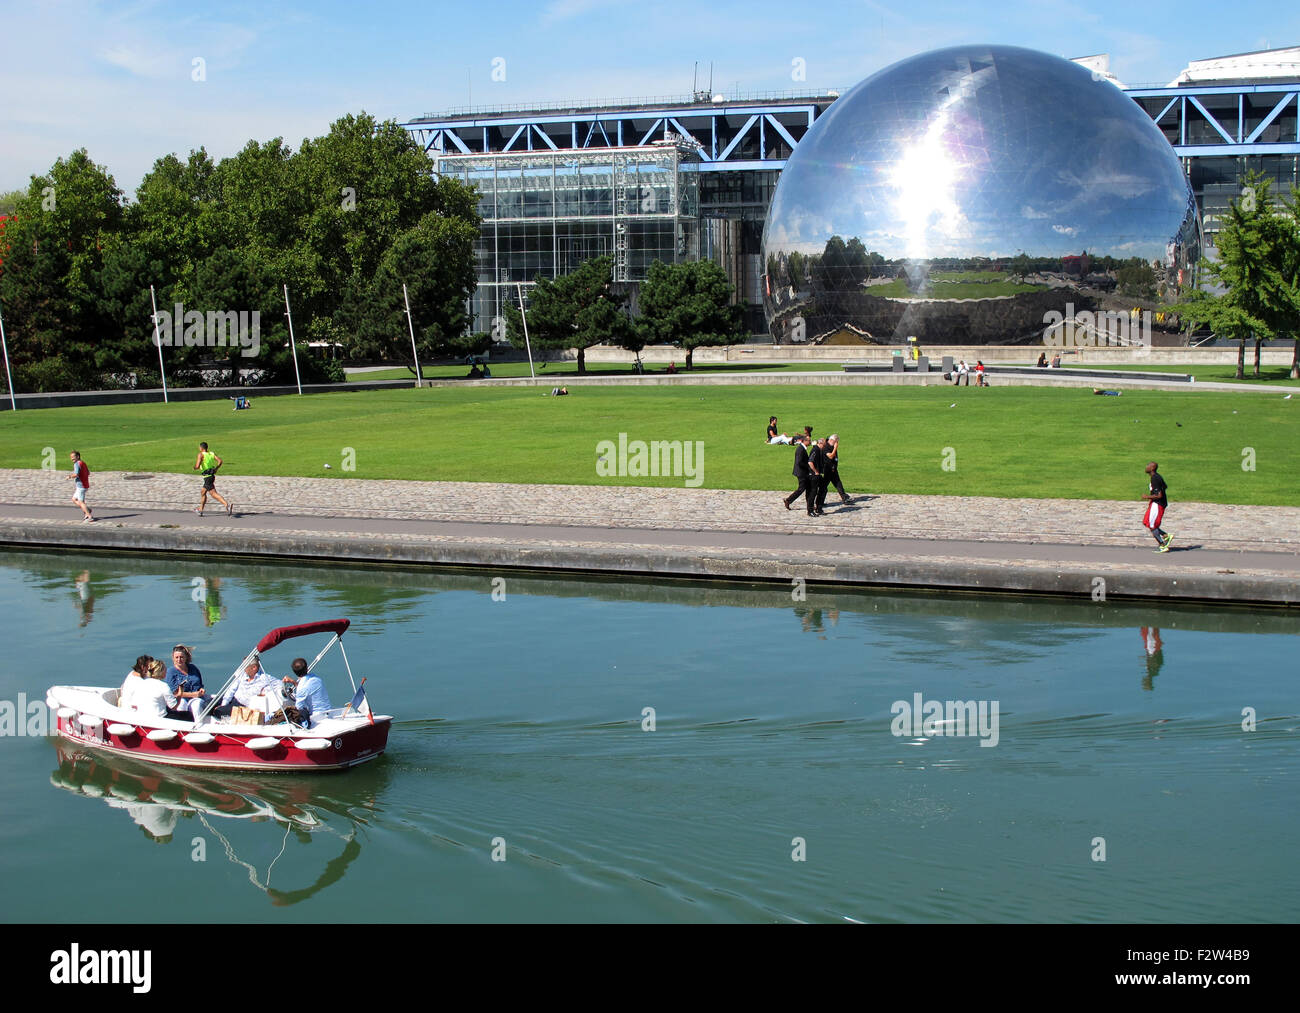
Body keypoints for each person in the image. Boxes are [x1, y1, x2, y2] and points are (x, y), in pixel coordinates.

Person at [282, 657, 332, 726]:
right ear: (307, 668)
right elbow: (306, 689)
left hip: (316, 717)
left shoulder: (302, 688)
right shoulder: (316, 678)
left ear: (294, 672)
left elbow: (299, 708)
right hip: (329, 712)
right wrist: (293, 682)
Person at [165, 645, 207, 721]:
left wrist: (201, 690)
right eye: (176, 657)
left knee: (196, 705)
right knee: (182, 704)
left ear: (186, 657)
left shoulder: (193, 668)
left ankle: (198, 725)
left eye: (181, 657)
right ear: (173, 658)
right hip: (180, 698)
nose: (179, 660)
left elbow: (200, 685)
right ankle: (182, 727)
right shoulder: (170, 672)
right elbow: (174, 692)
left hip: (196, 698)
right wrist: (193, 694)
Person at [782, 435, 819, 516]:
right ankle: (788, 500)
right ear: (804, 441)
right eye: (809, 441)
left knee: (806, 488)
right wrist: (808, 467)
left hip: (802, 472)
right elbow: (799, 462)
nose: (810, 442)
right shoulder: (800, 449)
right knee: (802, 489)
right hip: (801, 473)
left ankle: (810, 506)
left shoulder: (802, 449)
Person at [193, 442, 232, 517]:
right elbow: (220, 461)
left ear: (201, 448)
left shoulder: (200, 455)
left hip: (207, 477)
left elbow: (197, 466)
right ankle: (200, 510)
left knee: (213, 494)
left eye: (199, 447)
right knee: (203, 492)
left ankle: (227, 505)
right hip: (211, 476)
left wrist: (194, 467)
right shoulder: (211, 453)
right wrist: (216, 469)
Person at [1142, 461, 1173, 553]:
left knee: (1152, 525)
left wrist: (1147, 496)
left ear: (1152, 468)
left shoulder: (1155, 478)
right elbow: (1165, 486)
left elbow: (1159, 495)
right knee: (1146, 522)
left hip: (1157, 504)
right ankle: (1166, 535)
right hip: (1155, 503)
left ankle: (1162, 545)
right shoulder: (1157, 477)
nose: (1146, 467)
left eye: (1148, 466)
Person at [822, 434, 850, 505]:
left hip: (833, 469)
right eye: (836, 442)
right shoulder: (826, 447)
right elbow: (831, 456)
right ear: (831, 440)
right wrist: (835, 448)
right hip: (827, 470)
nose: (836, 444)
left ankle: (844, 498)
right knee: (824, 486)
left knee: (838, 483)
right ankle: (820, 502)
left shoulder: (832, 446)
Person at [67, 451, 93, 522]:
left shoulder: (76, 464)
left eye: (73, 457)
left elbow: (76, 474)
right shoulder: (83, 463)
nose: (72, 459)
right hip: (84, 485)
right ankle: (87, 510)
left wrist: (69, 476)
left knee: (81, 502)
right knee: (74, 499)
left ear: (78, 456)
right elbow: (88, 473)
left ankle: (89, 516)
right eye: (71, 457)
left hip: (81, 486)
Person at [809, 437, 831, 516]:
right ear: (820, 443)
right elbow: (810, 462)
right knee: (813, 492)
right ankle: (810, 510)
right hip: (814, 475)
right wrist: (816, 471)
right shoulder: (815, 450)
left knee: (824, 488)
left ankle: (819, 507)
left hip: (818, 474)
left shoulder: (820, 450)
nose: (825, 446)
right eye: (824, 445)